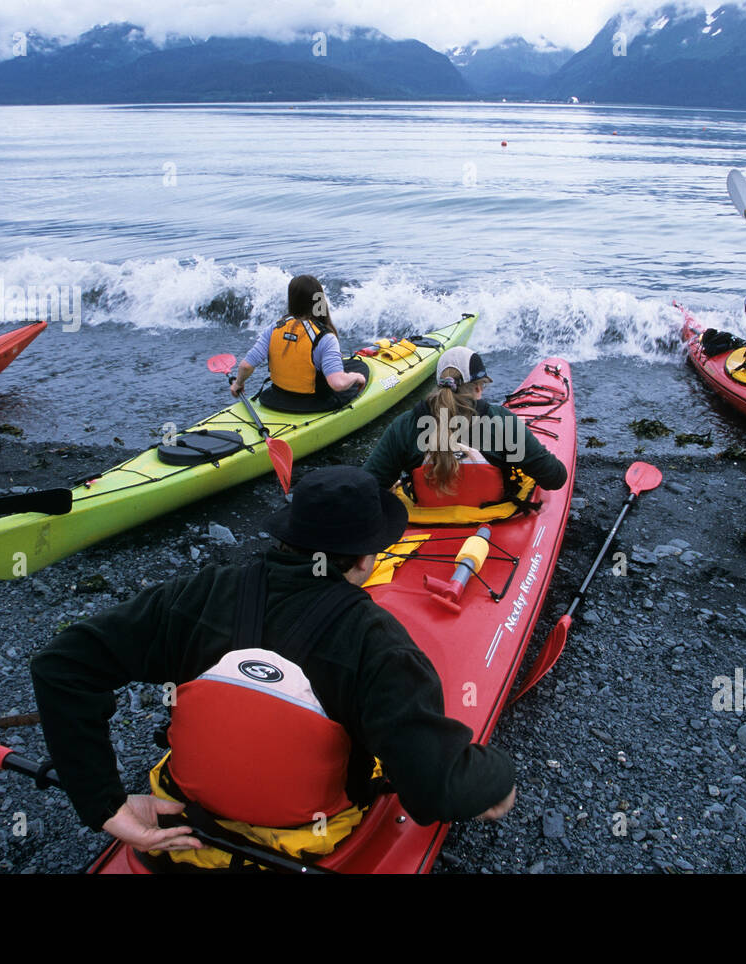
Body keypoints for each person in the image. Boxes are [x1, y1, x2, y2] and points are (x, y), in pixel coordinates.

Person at [30, 466, 516, 868]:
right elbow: (431, 785)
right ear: (368, 560)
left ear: (288, 536)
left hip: (186, 820)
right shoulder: (378, 644)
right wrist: (495, 782)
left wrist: (103, 804)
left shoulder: (197, 593)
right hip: (310, 837)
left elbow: (62, 665)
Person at [363, 346, 567, 508]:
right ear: (478, 387)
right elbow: (555, 478)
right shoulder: (501, 422)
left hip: (426, 522)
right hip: (490, 524)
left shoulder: (405, 425)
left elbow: (367, 489)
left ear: (439, 385)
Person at [230, 274, 366, 411]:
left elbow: (246, 366)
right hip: (312, 404)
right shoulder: (325, 337)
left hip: (277, 398)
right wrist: (356, 377)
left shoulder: (274, 328)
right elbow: (337, 384)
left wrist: (238, 383)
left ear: (292, 300)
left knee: (346, 364)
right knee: (360, 368)